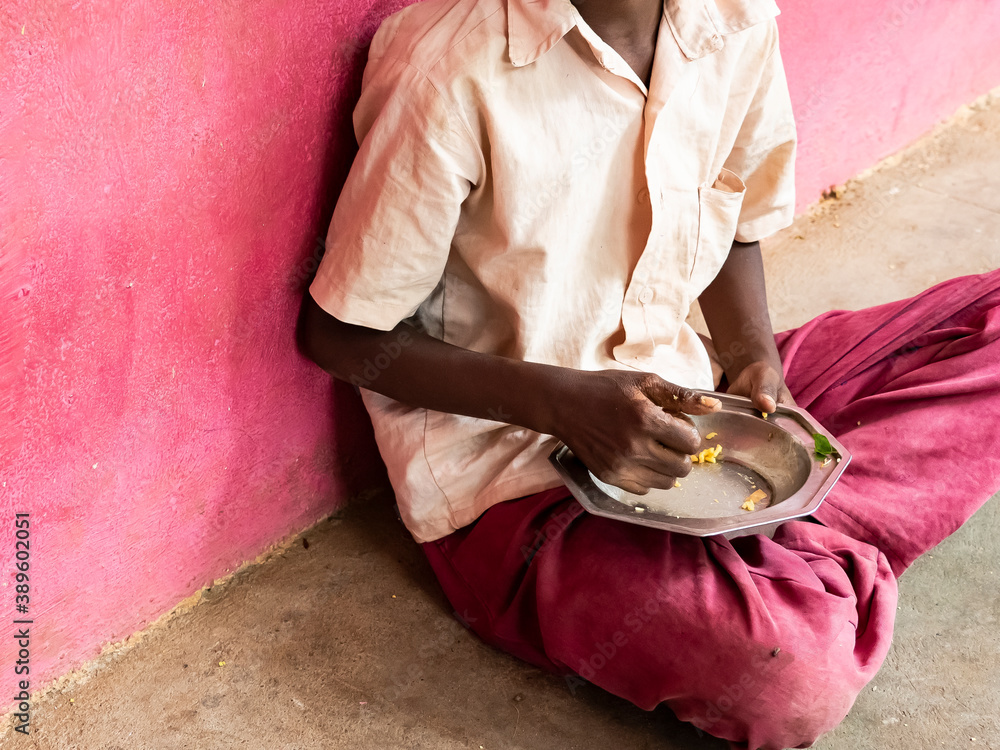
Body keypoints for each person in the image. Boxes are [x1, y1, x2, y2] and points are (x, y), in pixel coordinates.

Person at [299, 0, 1000, 747]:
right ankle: (801, 544)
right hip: (518, 476)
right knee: (792, 678)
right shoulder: (455, 65)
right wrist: (567, 407)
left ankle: (789, 544)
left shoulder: (731, 18)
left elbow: (732, 221)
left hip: (694, 395)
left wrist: (753, 358)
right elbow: (341, 335)